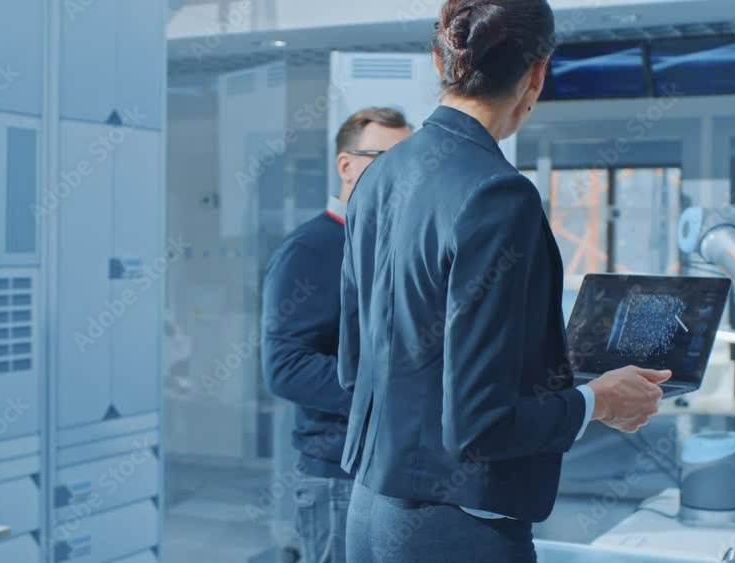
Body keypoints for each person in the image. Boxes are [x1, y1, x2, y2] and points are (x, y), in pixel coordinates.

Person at [338, 2, 671, 562]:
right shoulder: (497, 193)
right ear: (537, 73)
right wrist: (598, 400)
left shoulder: (377, 176)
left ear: (439, 58)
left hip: (369, 513)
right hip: (454, 530)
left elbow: (354, 366)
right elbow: (481, 427)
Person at [261, 107, 412, 563]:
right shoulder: (311, 249)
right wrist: (394, 393)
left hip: (394, 469)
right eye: (383, 156)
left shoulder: (395, 242)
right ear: (345, 166)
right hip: (339, 476)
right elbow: (287, 369)